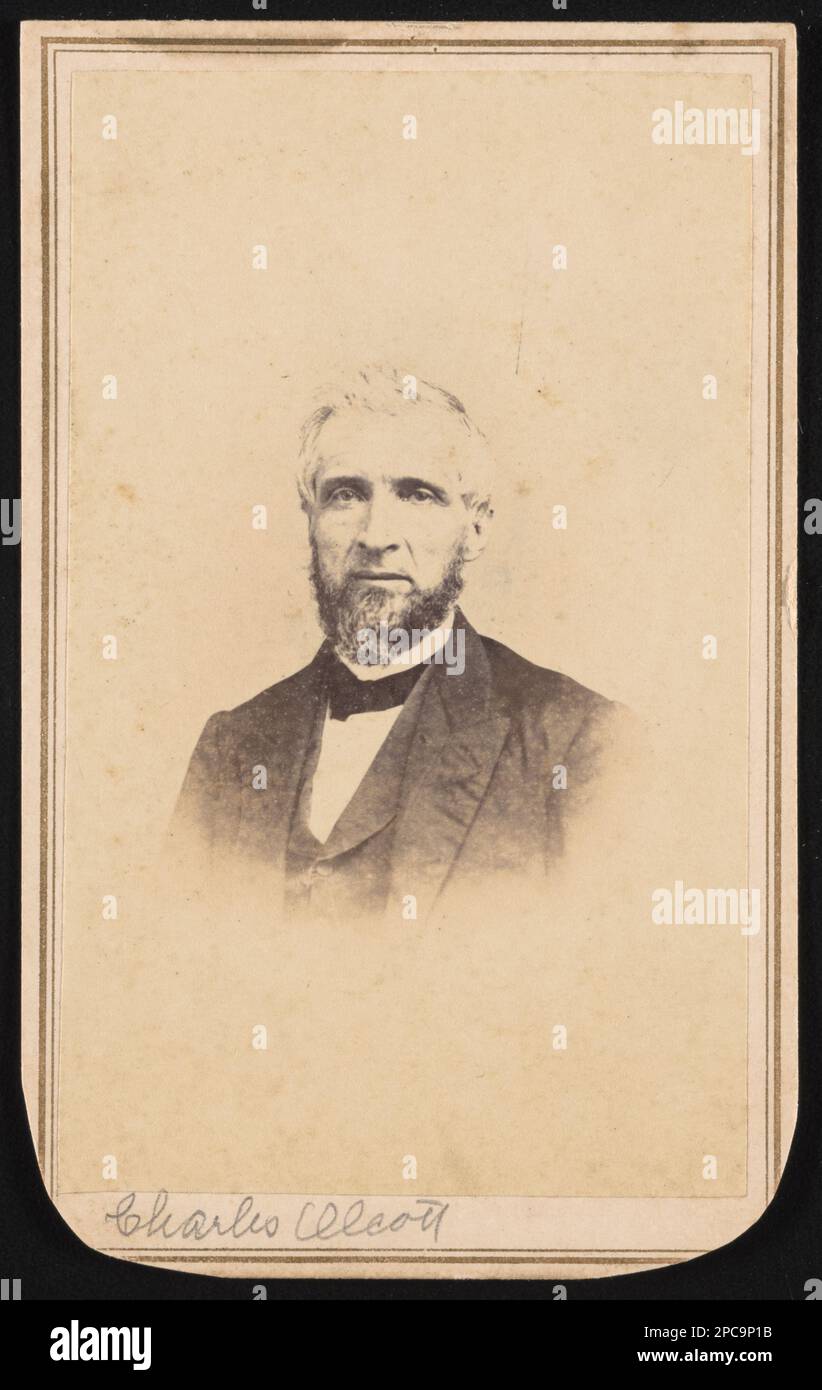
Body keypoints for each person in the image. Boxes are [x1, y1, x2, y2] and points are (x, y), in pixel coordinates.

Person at [171, 366, 634, 921]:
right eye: (346, 495)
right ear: (309, 521)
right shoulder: (232, 743)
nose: (375, 535)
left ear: (476, 528)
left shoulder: (578, 739)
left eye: (418, 496)